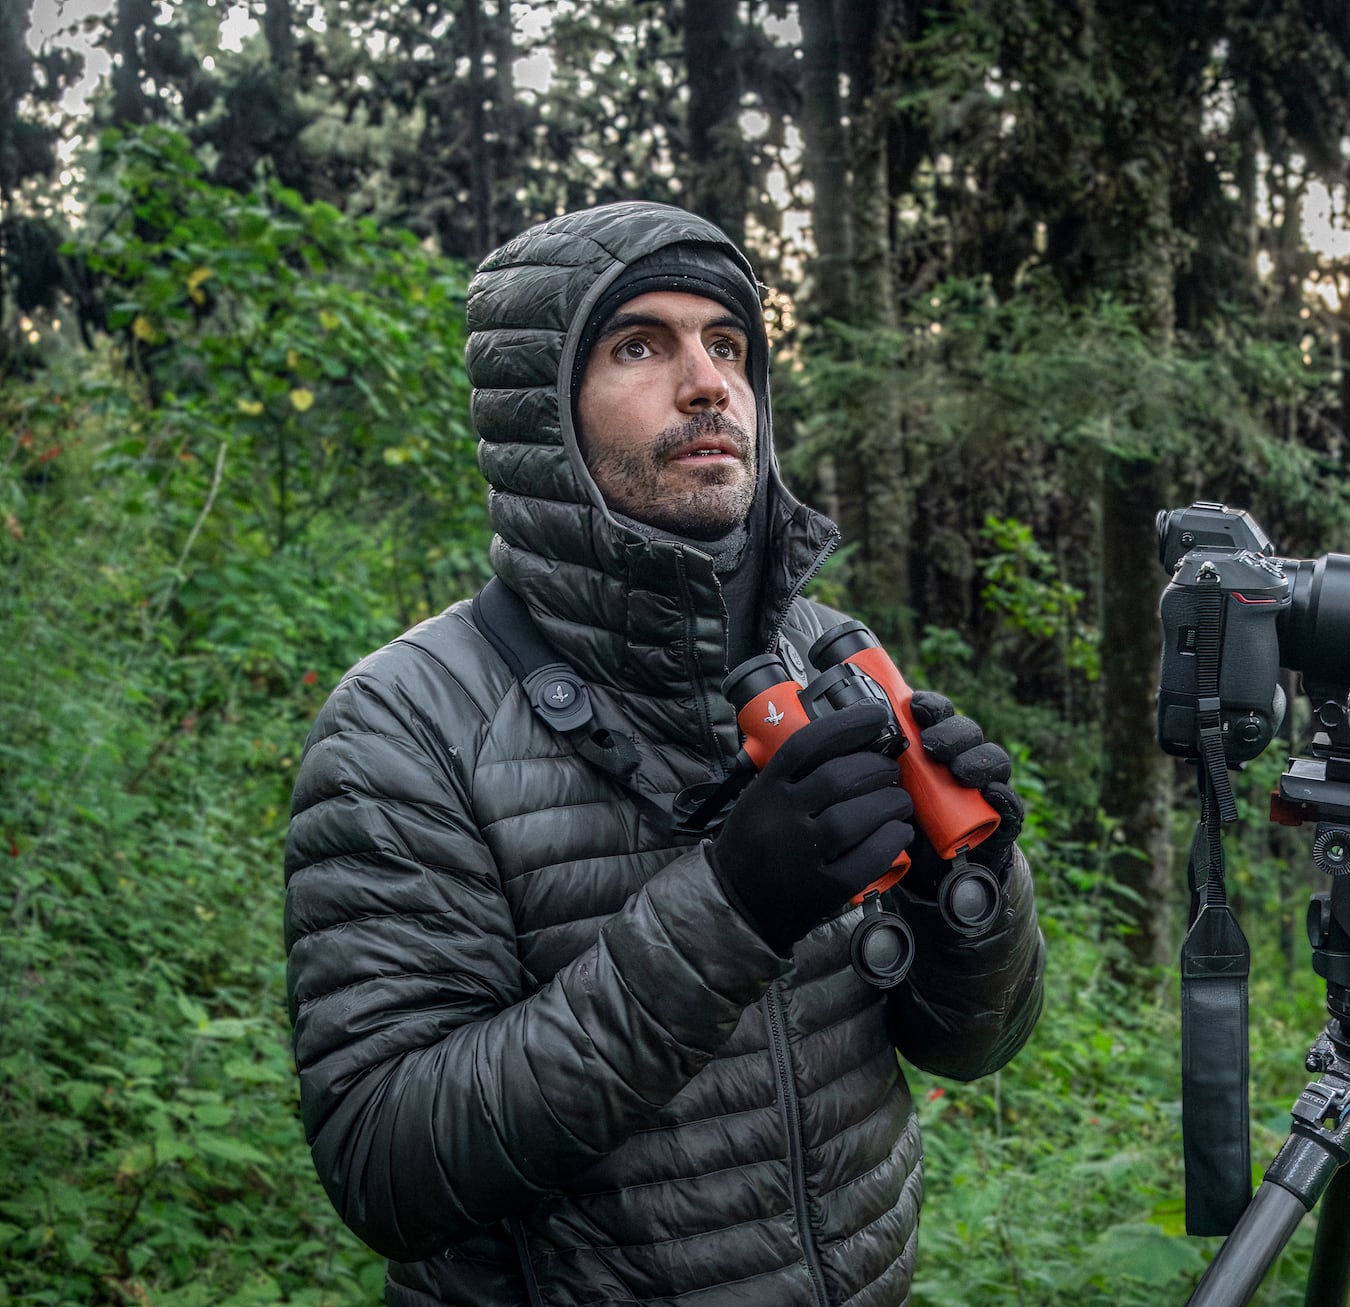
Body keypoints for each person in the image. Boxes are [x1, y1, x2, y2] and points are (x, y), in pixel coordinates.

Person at [282, 201, 1046, 1307]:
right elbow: (387, 1164)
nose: (707, 383)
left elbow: (972, 1045)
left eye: (726, 344)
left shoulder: (834, 656)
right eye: (639, 343)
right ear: (540, 410)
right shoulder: (405, 725)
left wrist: (967, 894)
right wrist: (731, 906)